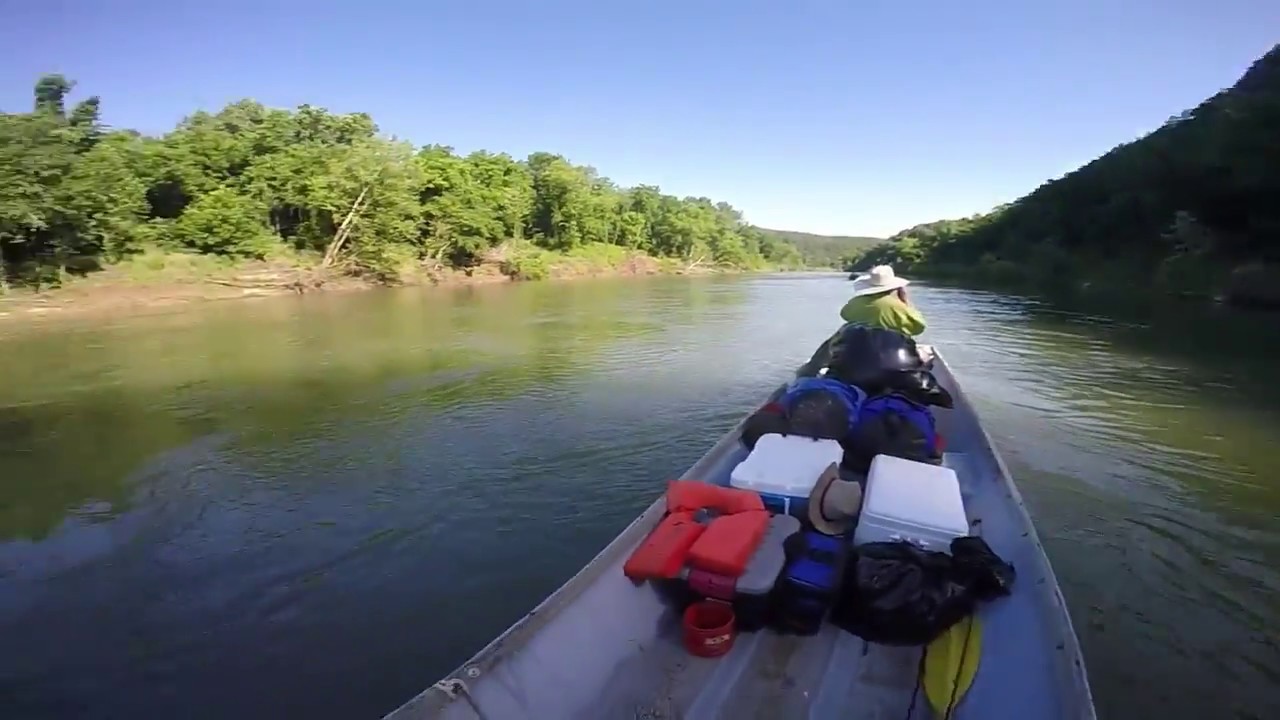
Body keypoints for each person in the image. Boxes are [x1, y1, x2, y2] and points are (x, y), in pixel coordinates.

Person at [839, 265, 926, 337]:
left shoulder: (855, 302)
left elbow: (844, 315)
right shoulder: (899, 306)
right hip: (892, 348)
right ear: (895, 287)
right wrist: (906, 302)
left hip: (861, 347)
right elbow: (919, 327)